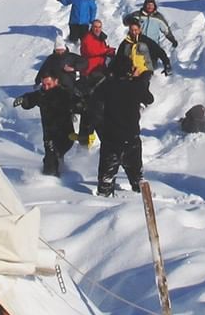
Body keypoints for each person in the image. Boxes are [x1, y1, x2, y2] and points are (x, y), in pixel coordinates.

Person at [87, 59, 154, 196]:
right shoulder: (136, 86)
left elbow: (93, 108)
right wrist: (137, 79)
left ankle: (103, 203)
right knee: (137, 180)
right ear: (130, 71)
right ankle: (142, 203)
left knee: (106, 181)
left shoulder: (105, 87)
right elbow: (149, 99)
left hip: (111, 140)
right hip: (132, 139)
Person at [13, 73, 76, 176]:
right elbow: (31, 99)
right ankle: (53, 178)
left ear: (56, 81)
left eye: (49, 84)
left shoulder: (65, 94)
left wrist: (79, 105)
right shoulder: (42, 94)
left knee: (55, 155)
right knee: (51, 157)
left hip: (65, 134)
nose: (46, 87)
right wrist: (23, 99)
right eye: (43, 84)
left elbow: (79, 104)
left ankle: (55, 178)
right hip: (49, 134)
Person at [75, 20, 115, 145]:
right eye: (95, 27)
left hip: (99, 71)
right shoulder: (87, 38)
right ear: (92, 27)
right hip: (88, 72)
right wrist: (106, 50)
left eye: (99, 27)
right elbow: (90, 51)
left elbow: (101, 50)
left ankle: (94, 133)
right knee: (88, 104)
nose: (97, 29)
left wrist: (108, 50)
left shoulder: (101, 38)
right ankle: (85, 135)